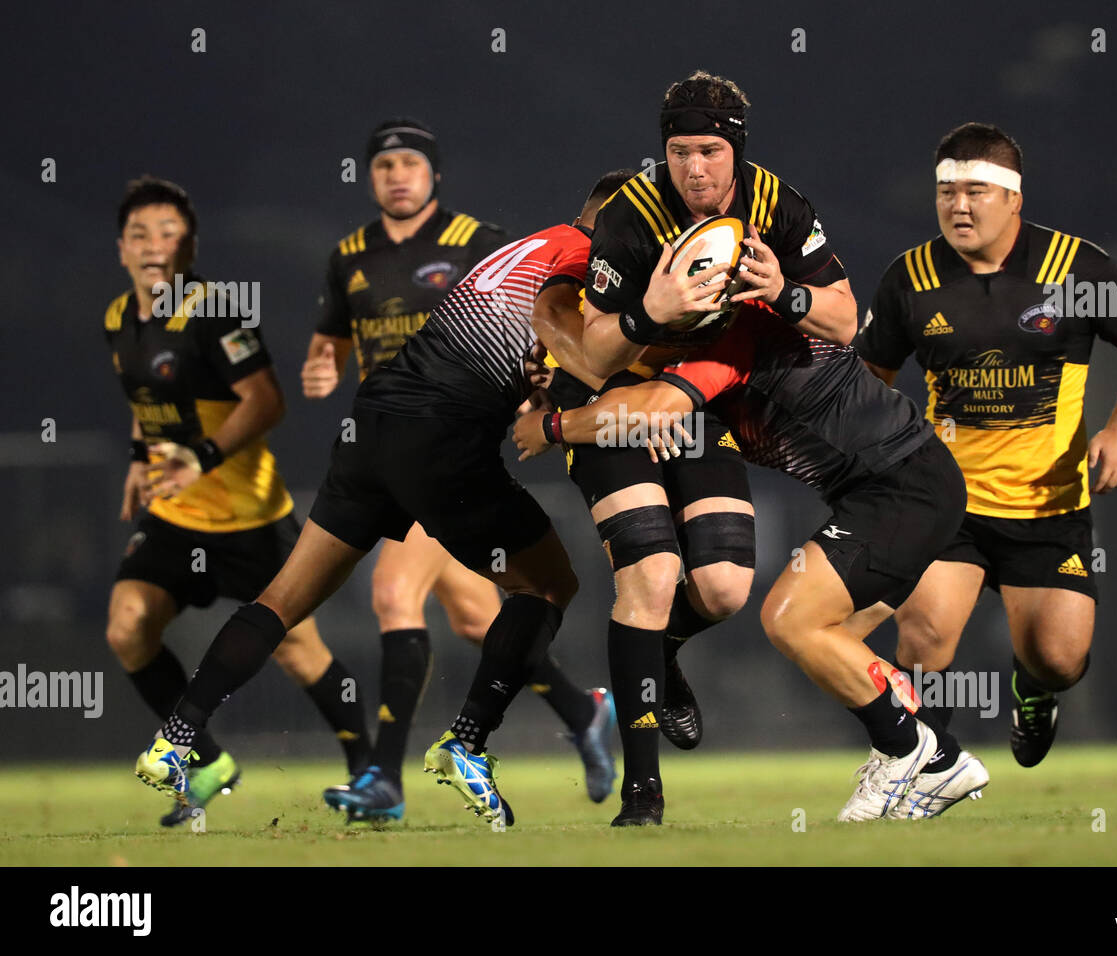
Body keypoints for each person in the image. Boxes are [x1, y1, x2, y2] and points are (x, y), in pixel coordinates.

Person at [134, 170, 638, 828]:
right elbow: (572, 339)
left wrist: (543, 388)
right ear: (616, 224)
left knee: (282, 599)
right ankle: (467, 740)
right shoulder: (583, 256)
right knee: (548, 585)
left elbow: (520, 344)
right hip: (440, 441)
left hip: (373, 423)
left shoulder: (530, 246)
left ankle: (176, 739)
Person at [515, 297, 980, 821]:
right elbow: (640, 381)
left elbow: (652, 403)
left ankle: (929, 756)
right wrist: (553, 366)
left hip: (900, 492)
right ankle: (916, 751)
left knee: (789, 620)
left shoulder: (734, 333)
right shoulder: (712, 344)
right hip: (911, 486)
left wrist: (552, 428)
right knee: (836, 643)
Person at [568, 70, 859, 825]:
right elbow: (588, 354)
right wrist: (646, 314)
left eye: (708, 150)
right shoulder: (630, 216)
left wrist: (786, 292)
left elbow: (846, 319)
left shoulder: (780, 206)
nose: (693, 167)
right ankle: (642, 795)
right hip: (617, 408)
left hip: (701, 407)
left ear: (735, 150)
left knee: (726, 588)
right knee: (654, 572)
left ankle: (658, 653)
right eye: (678, 150)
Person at [301, 118, 614, 818]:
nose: (397, 175)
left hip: (443, 444)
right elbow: (329, 342)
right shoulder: (349, 257)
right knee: (479, 618)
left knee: (392, 595)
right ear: (371, 179)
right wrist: (323, 363)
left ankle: (385, 778)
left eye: (411, 162)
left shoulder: (479, 241)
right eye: (383, 166)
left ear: (434, 176)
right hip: (391, 441)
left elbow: (536, 320)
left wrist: (540, 391)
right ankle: (582, 711)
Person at [856, 122, 1117, 770]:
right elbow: (870, 376)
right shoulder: (910, 277)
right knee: (924, 632)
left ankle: (1034, 690)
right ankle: (922, 768)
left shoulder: (1076, 266)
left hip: (1048, 506)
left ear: (1013, 198)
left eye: (976, 190)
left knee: (1058, 658)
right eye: (947, 191)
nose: (959, 205)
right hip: (951, 504)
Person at [106, 176, 368, 827]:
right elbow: (146, 403)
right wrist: (142, 459)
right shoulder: (117, 319)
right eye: (140, 234)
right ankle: (206, 764)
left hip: (250, 518)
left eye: (168, 233)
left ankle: (369, 770)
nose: (153, 246)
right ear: (121, 249)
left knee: (299, 649)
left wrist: (201, 455)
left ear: (188, 247)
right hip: (174, 518)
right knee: (127, 627)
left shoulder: (216, 311)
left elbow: (267, 400)